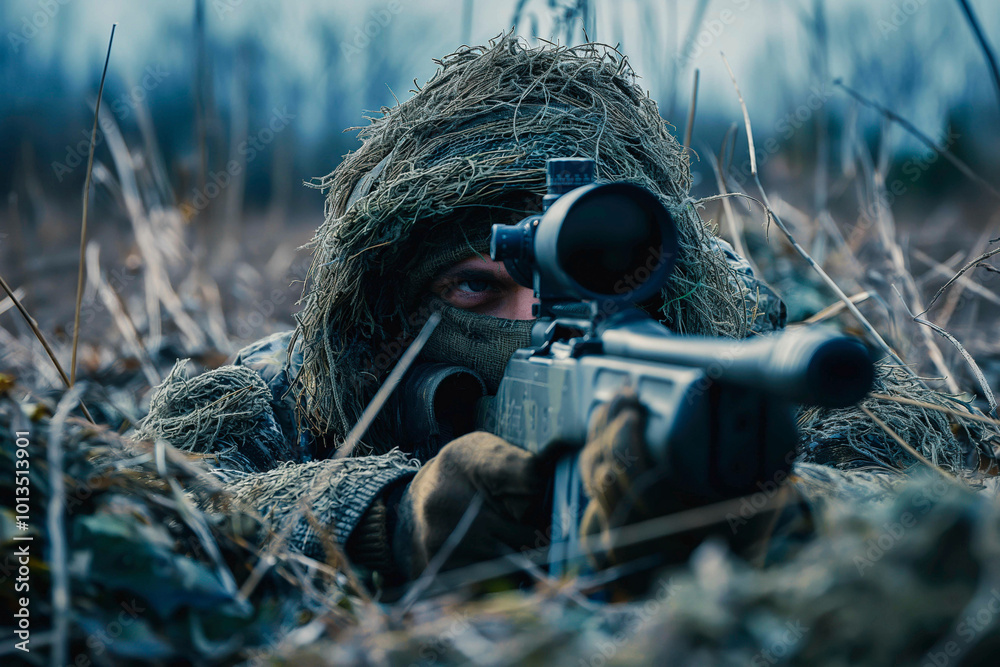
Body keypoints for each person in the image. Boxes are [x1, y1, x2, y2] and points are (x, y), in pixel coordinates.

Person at [136, 33, 817, 589]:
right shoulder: (303, 387)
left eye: (596, 281)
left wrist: (759, 505)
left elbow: (910, 489)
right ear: (389, 304)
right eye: (474, 287)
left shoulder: (738, 354)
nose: (532, 319)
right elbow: (159, 507)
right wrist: (393, 517)